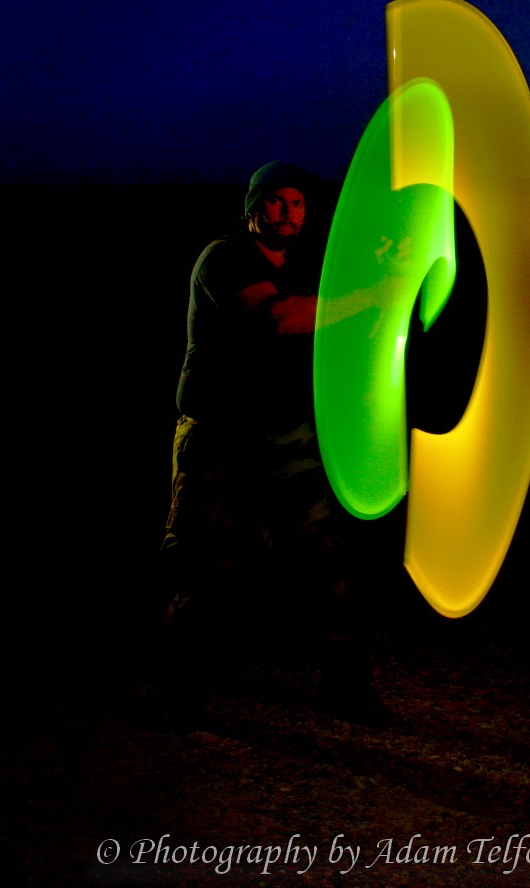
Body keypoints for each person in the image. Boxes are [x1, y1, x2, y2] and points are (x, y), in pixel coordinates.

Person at [158, 161, 386, 726]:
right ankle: (181, 694)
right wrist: (369, 297)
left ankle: (345, 686)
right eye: (276, 202)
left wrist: (387, 278)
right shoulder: (224, 258)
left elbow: (348, 319)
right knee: (205, 567)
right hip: (218, 434)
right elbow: (279, 317)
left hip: (287, 432)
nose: (288, 213)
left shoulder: (312, 266)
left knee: (326, 563)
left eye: (298, 203)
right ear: (253, 207)